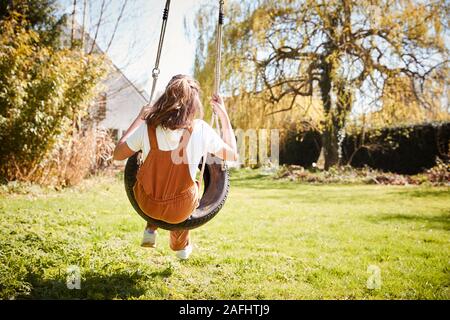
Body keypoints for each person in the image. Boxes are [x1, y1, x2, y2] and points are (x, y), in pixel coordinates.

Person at [113, 74, 238, 260]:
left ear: (165, 98)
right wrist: (224, 115)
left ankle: (151, 227)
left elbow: (117, 155)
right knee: (186, 198)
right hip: (180, 210)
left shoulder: (148, 127)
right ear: (194, 104)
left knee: (152, 177)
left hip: (146, 204)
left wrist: (139, 118)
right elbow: (233, 156)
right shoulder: (201, 129)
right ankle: (180, 245)